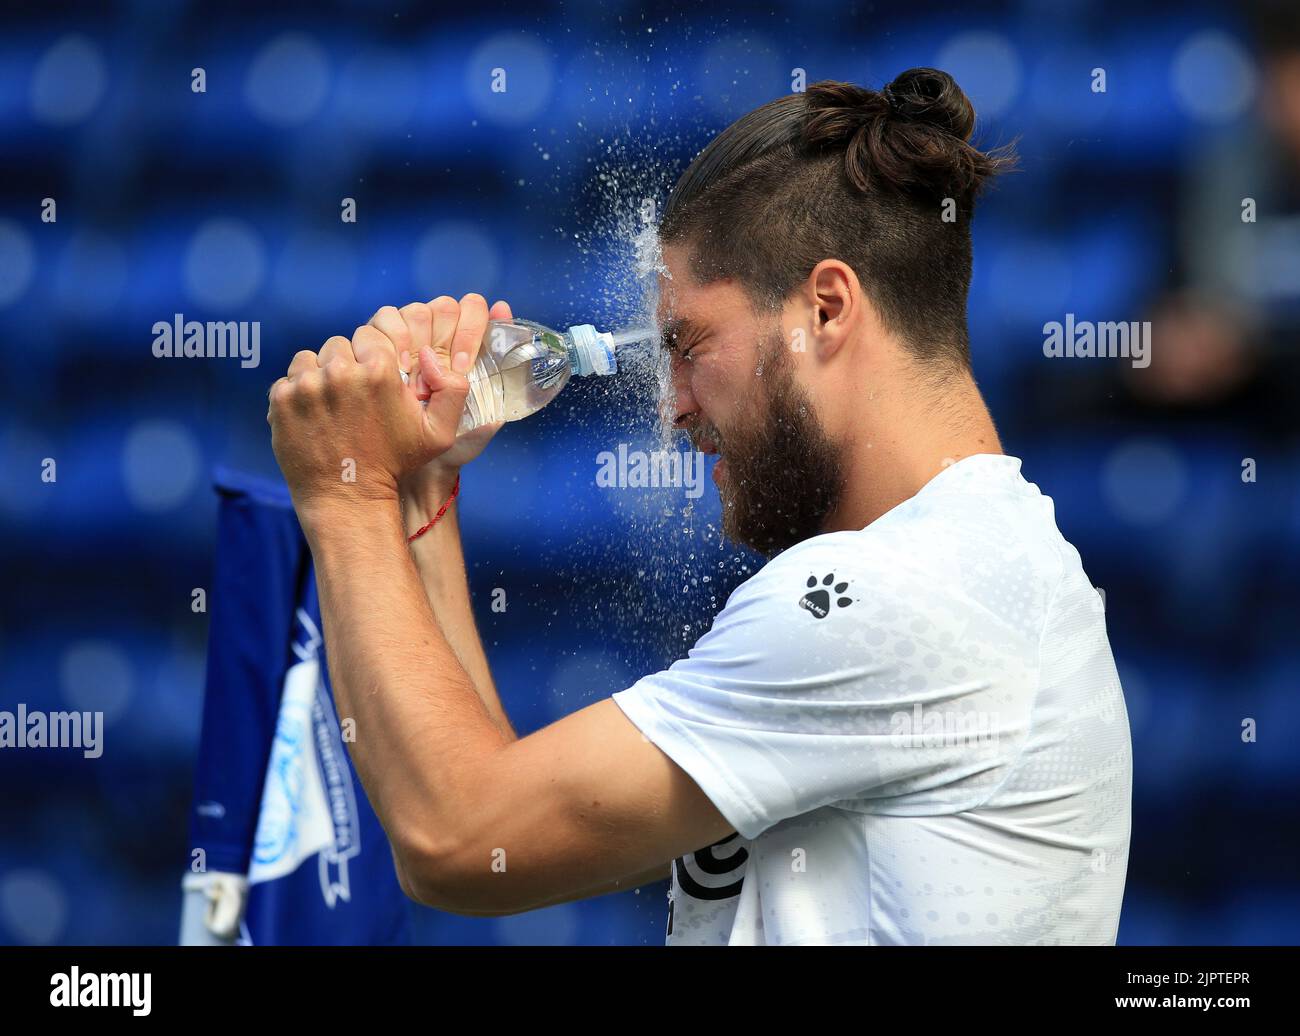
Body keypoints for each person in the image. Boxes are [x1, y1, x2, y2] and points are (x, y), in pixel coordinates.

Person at [267, 68, 1132, 945]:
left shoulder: (895, 597)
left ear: (825, 309)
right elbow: (497, 814)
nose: (674, 404)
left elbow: (457, 837)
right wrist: (418, 495)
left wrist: (347, 496)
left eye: (690, 344)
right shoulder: (970, 564)